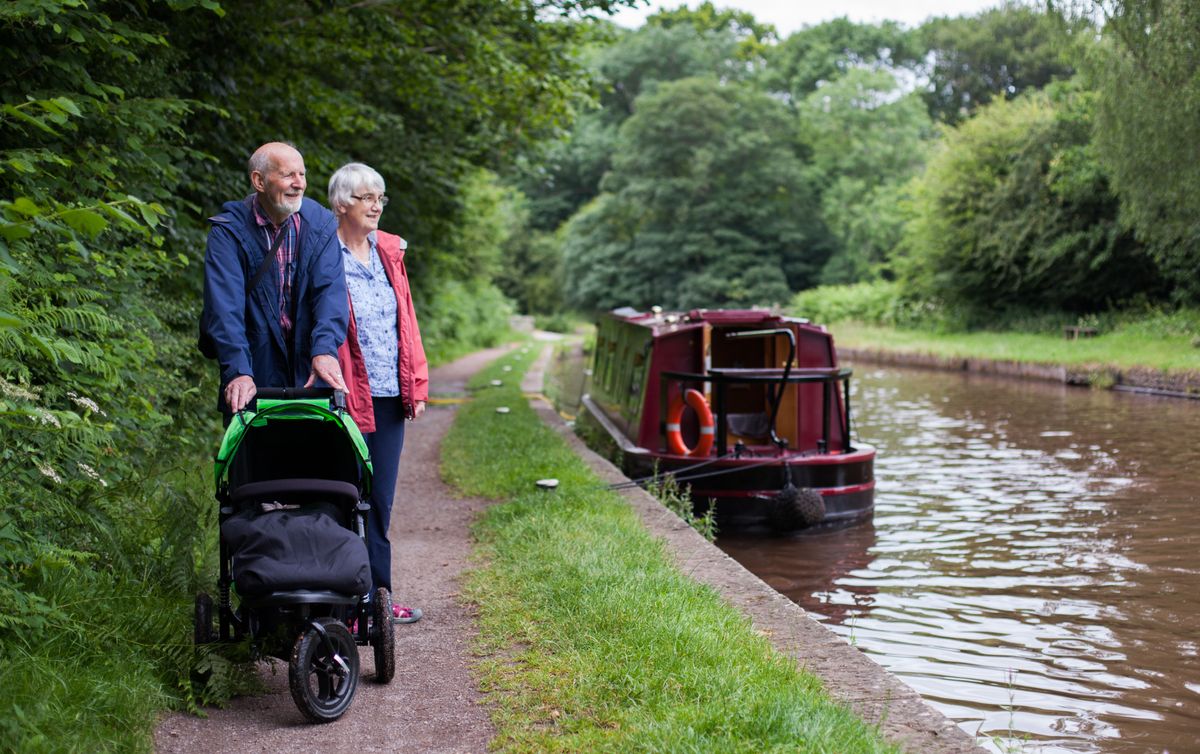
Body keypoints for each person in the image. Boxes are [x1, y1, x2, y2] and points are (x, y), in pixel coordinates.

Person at [329, 162, 428, 624]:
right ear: (341, 204)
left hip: (388, 398)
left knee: (379, 501)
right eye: (367, 197)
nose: (376, 205)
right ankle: (342, 604)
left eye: (380, 198)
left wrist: (417, 384)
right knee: (342, 498)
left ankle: (378, 603)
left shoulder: (389, 254)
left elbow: (405, 323)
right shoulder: (323, 255)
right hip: (342, 398)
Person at [200, 142, 348, 414]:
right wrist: (237, 371)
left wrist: (325, 350)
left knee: (313, 456)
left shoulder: (322, 224)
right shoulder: (228, 231)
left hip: (310, 373)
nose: (299, 184)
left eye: (302, 174)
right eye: (288, 175)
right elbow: (224, 308)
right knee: (256, 455)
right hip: (254, 372)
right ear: (259, 181)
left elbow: (330, 294)